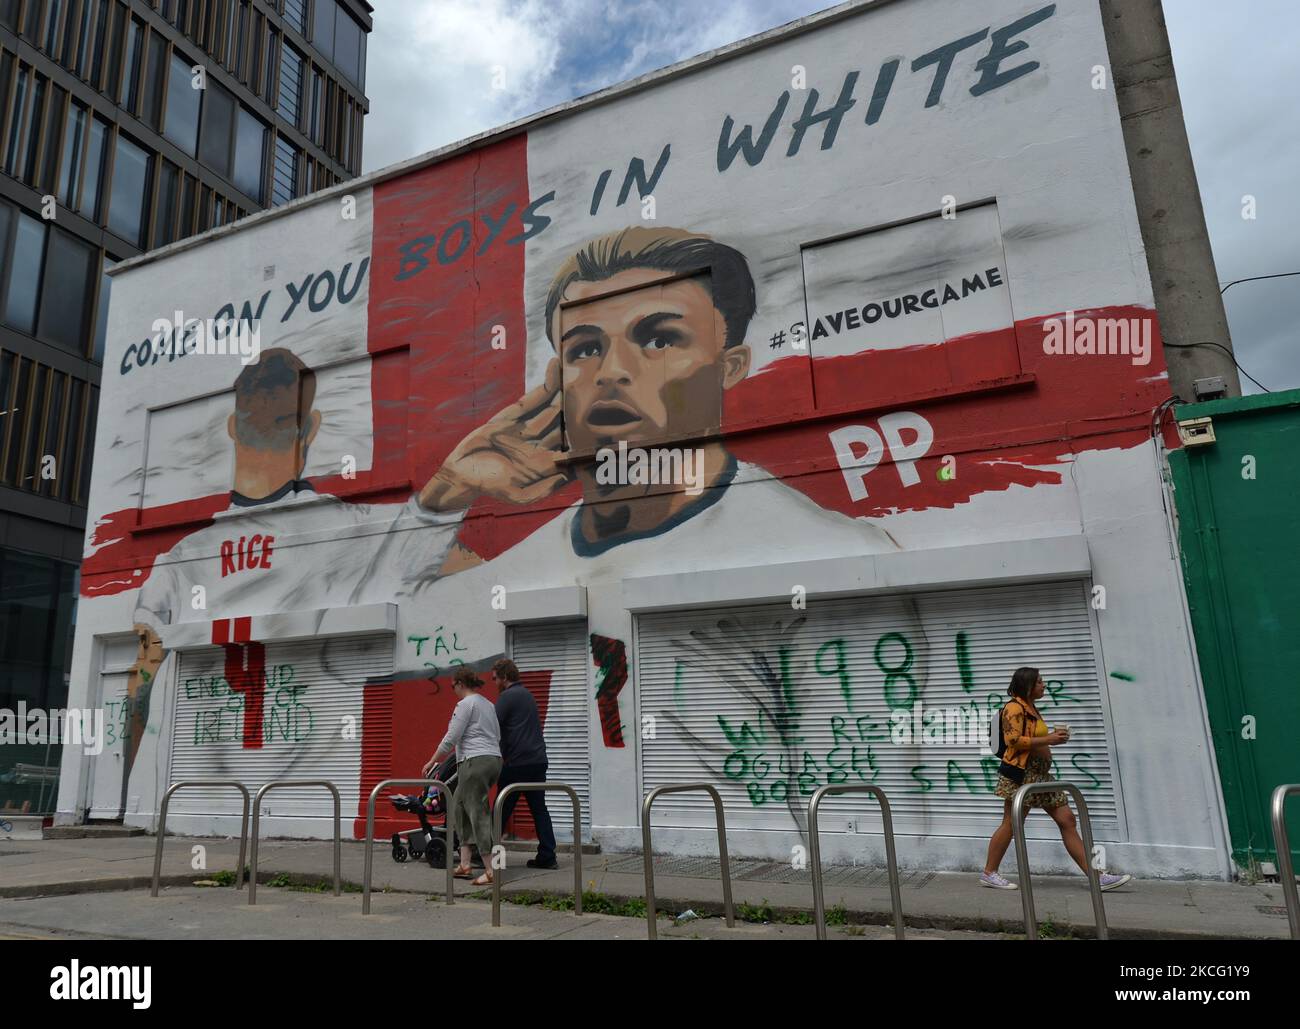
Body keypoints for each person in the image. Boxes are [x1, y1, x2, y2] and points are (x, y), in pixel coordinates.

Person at [125, 348, 464, 814]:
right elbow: (145, 668)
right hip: (242, 792)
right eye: (260, 415)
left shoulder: (354, 525)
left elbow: (143, 671)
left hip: (267, 795)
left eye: (277, 417)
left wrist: (126, 797)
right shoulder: (183, 558)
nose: (265, 426)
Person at [980, 666, 1132, 892]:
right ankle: (989, 873)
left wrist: (1052, 738)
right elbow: (1013, 740)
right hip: (1022, 776)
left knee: (1068, 820)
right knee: (1011, 824)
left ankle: (1097, 876)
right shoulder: (1014, 707)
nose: (1044, 685)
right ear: (1029, 685)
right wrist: (1049, 739)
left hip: (1041, 776)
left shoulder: (1031, 707)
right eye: (1040, 682)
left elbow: (1033, 737)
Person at [423, 667, 502, 886]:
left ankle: (492, 869)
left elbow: (452, 737)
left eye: (452, 686)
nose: (453, 690)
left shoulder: (466, 704)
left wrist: (432, 760)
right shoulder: (488, 704)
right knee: (458, 805)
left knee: (478, 812)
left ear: (460, 683)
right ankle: (465, 863)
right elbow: (497, 735)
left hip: (474, 761)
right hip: (492, 759)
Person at [490, 658, 558, 869]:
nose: (494, 683)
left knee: (500, 810)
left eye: (495, 679)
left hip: (517, 764)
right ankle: (548, 856)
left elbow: (492, 726)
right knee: (539, 809)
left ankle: (488, 856)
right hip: (537, 761)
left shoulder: (507, 697)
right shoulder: (527, 695)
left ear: (505, 677)